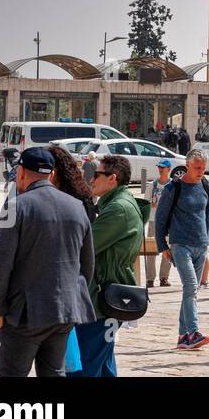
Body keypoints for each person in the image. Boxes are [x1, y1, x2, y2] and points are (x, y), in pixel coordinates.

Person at [0, 148, 95, 377]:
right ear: (52, 174)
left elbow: (0, 264)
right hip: (64, 310)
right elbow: (87, 265)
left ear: (21, 172)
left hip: (25, 312)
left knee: (12, 373)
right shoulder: (76, 207)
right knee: (55, 372)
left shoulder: (15, 206)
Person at [72, 154, 145, 377]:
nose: (91, 180)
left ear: (112, 178)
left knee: (86, 365)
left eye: (96, 175)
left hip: (101, 298)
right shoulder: (116, 204)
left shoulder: (118, 209)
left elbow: (84, 246)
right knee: (104, 365)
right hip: (109, 295)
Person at [154, 149, 209, 350]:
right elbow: (160, 219)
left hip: (200, 245)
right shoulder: (174, 188)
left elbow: (206, 215)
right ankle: (194, 332)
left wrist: (206, 240)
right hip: (180, 245)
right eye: (197, 168)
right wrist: (163, 246)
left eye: (204, 168)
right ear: (187, 165)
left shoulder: (205, 185)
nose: (201, 172)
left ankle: (183, 337)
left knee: (191, 291)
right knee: (190, 287)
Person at [144, 160, 174, 288]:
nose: (160, 169)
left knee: (167, 250)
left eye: (163, 167)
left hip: (169, 222)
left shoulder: (174, 185)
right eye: (159, 167)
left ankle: (164, 277)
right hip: (153, 221)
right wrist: (152, 203)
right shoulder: (152, 185)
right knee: (151, 251)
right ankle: (150, 279)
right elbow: (145, 203)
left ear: (169, 169)